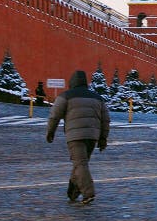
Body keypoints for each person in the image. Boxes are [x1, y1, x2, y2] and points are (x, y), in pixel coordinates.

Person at [46, 70, 110, 205]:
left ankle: (88, 193)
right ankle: (73, 193)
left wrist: (50, 132)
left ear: (72, 82)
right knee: (81, 164)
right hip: (92, 136)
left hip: (75, 136)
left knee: (80, 164)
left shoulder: (66, 96)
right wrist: (103, 139)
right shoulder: (97, 98)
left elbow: (54, 116)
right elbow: (105, 120)